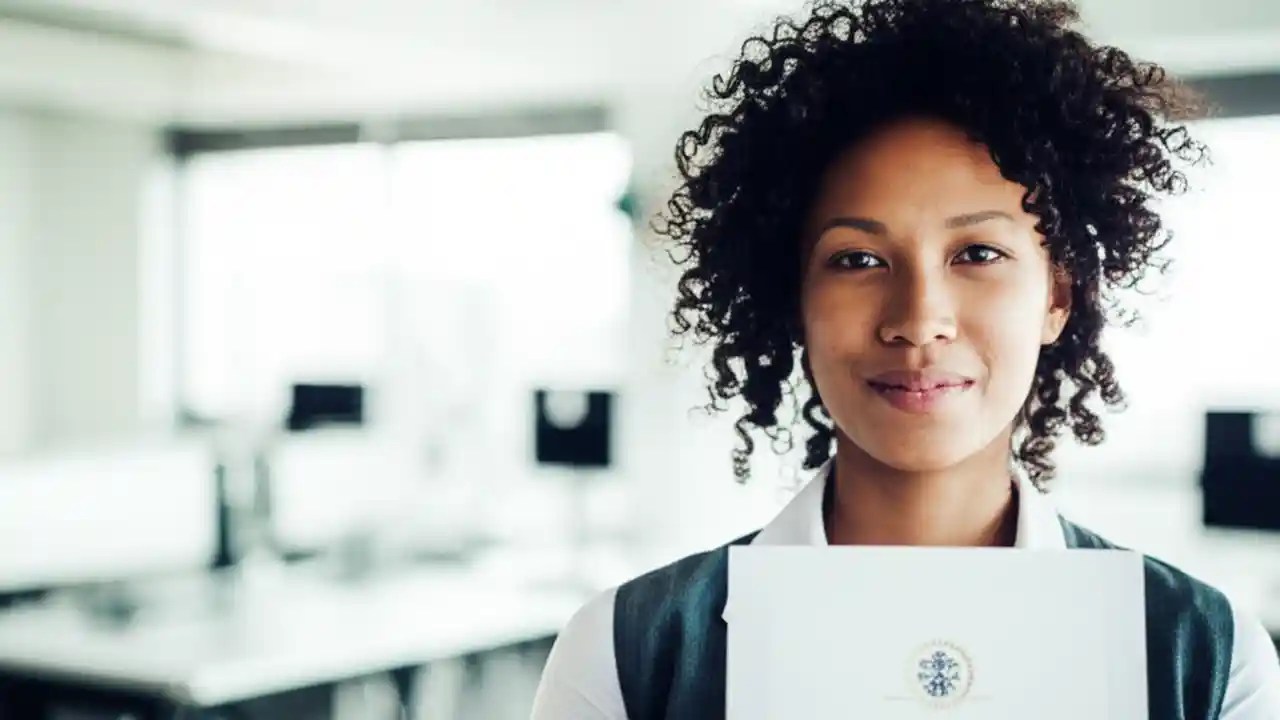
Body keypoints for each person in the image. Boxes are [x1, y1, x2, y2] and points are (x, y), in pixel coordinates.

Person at [531, 0, 1280, 717]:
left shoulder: (1205, 658)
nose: (919, 319)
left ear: (1057, 296)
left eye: (978, 253)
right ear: (791, 297)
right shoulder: (628, 657)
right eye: (856, 259)